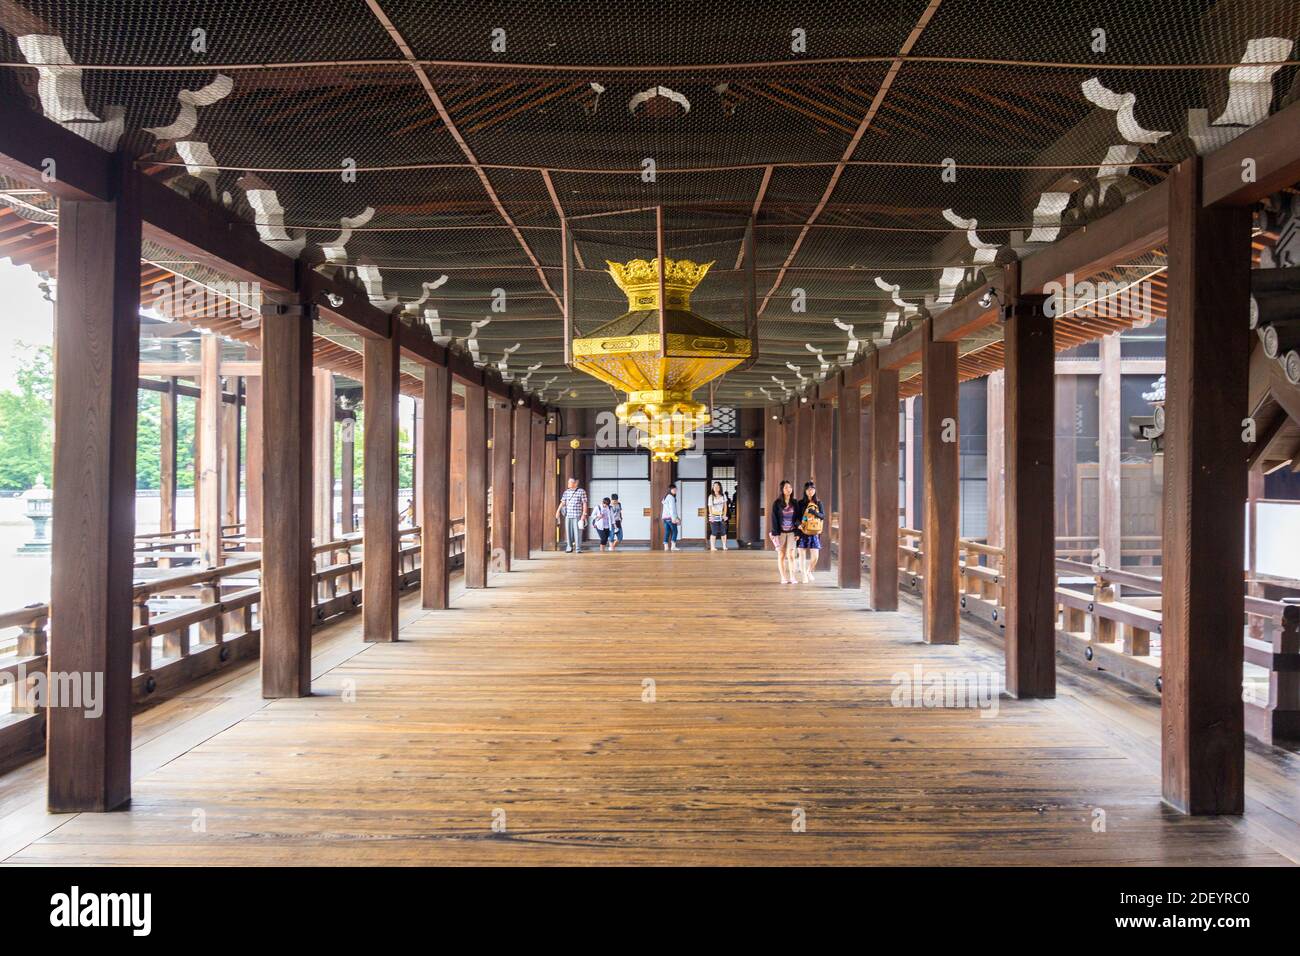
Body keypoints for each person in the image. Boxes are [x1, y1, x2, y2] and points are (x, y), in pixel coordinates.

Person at [794, 480, 826, 583]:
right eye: (808, 489)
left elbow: (822, 516)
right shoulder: (800, 503)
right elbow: (796, 518)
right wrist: (798, 527)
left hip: (814, 532)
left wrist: (813, 512)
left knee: (815, 557)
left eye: (812, 489)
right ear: (805, 491)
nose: (810, 491)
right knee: (802, 554)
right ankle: (803, 575)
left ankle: (808, 571)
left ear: (815, 490)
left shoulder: (818, 503)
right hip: (802, 531)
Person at [768, 480, 799, 583]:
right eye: (786, 487)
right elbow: (774, 518)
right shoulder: (777, 503)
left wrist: (798, 533)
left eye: (790, 487)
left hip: (792, 532)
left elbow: (798, 518)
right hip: (780, 532)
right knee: (781, 555)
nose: (788, 489)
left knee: (791, 555)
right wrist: (775, 533)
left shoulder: (794, 502)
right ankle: (783, 577)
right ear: (782, 489)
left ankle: (792, 577)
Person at [554, 477, 589, 554]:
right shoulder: (566, 492)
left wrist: (584, 514)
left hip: (577, 515)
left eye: (569, 482)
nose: (568, 484)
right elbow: (563, 502)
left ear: (575, 483)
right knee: (568, 532)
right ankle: (569, 547)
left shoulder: (581, 491)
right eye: (568, 482)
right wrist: (558, 511)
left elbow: (584, 503)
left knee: (578, 532)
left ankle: (578, 548)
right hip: (568, 515)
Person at [706, 480, 730, 551]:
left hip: (722, 515)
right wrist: (711, 515)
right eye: (714, 486)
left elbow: (725, 506)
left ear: (720, 488)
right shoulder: (711, 497)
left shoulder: (723, 496)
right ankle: (712, 547)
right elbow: (709, 507)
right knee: (714, 532)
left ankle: (724, 546)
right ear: (713, 488)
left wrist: (724, 514)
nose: (716, 488)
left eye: (717, 486)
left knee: (723, 532)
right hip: (714, 516)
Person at [661, 483, 681, 551]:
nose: (675, 490)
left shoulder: (666, 497)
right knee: (675, 531)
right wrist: (674, 518)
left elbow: (670, 509)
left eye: (676, 489)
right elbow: (672, 509)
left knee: (667, 531)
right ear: (670, 489)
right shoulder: (671, 497)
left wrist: (677, 517)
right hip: (670, 517)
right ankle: (673, 546)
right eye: (673, 489)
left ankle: (666, 547)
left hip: (665, 518)